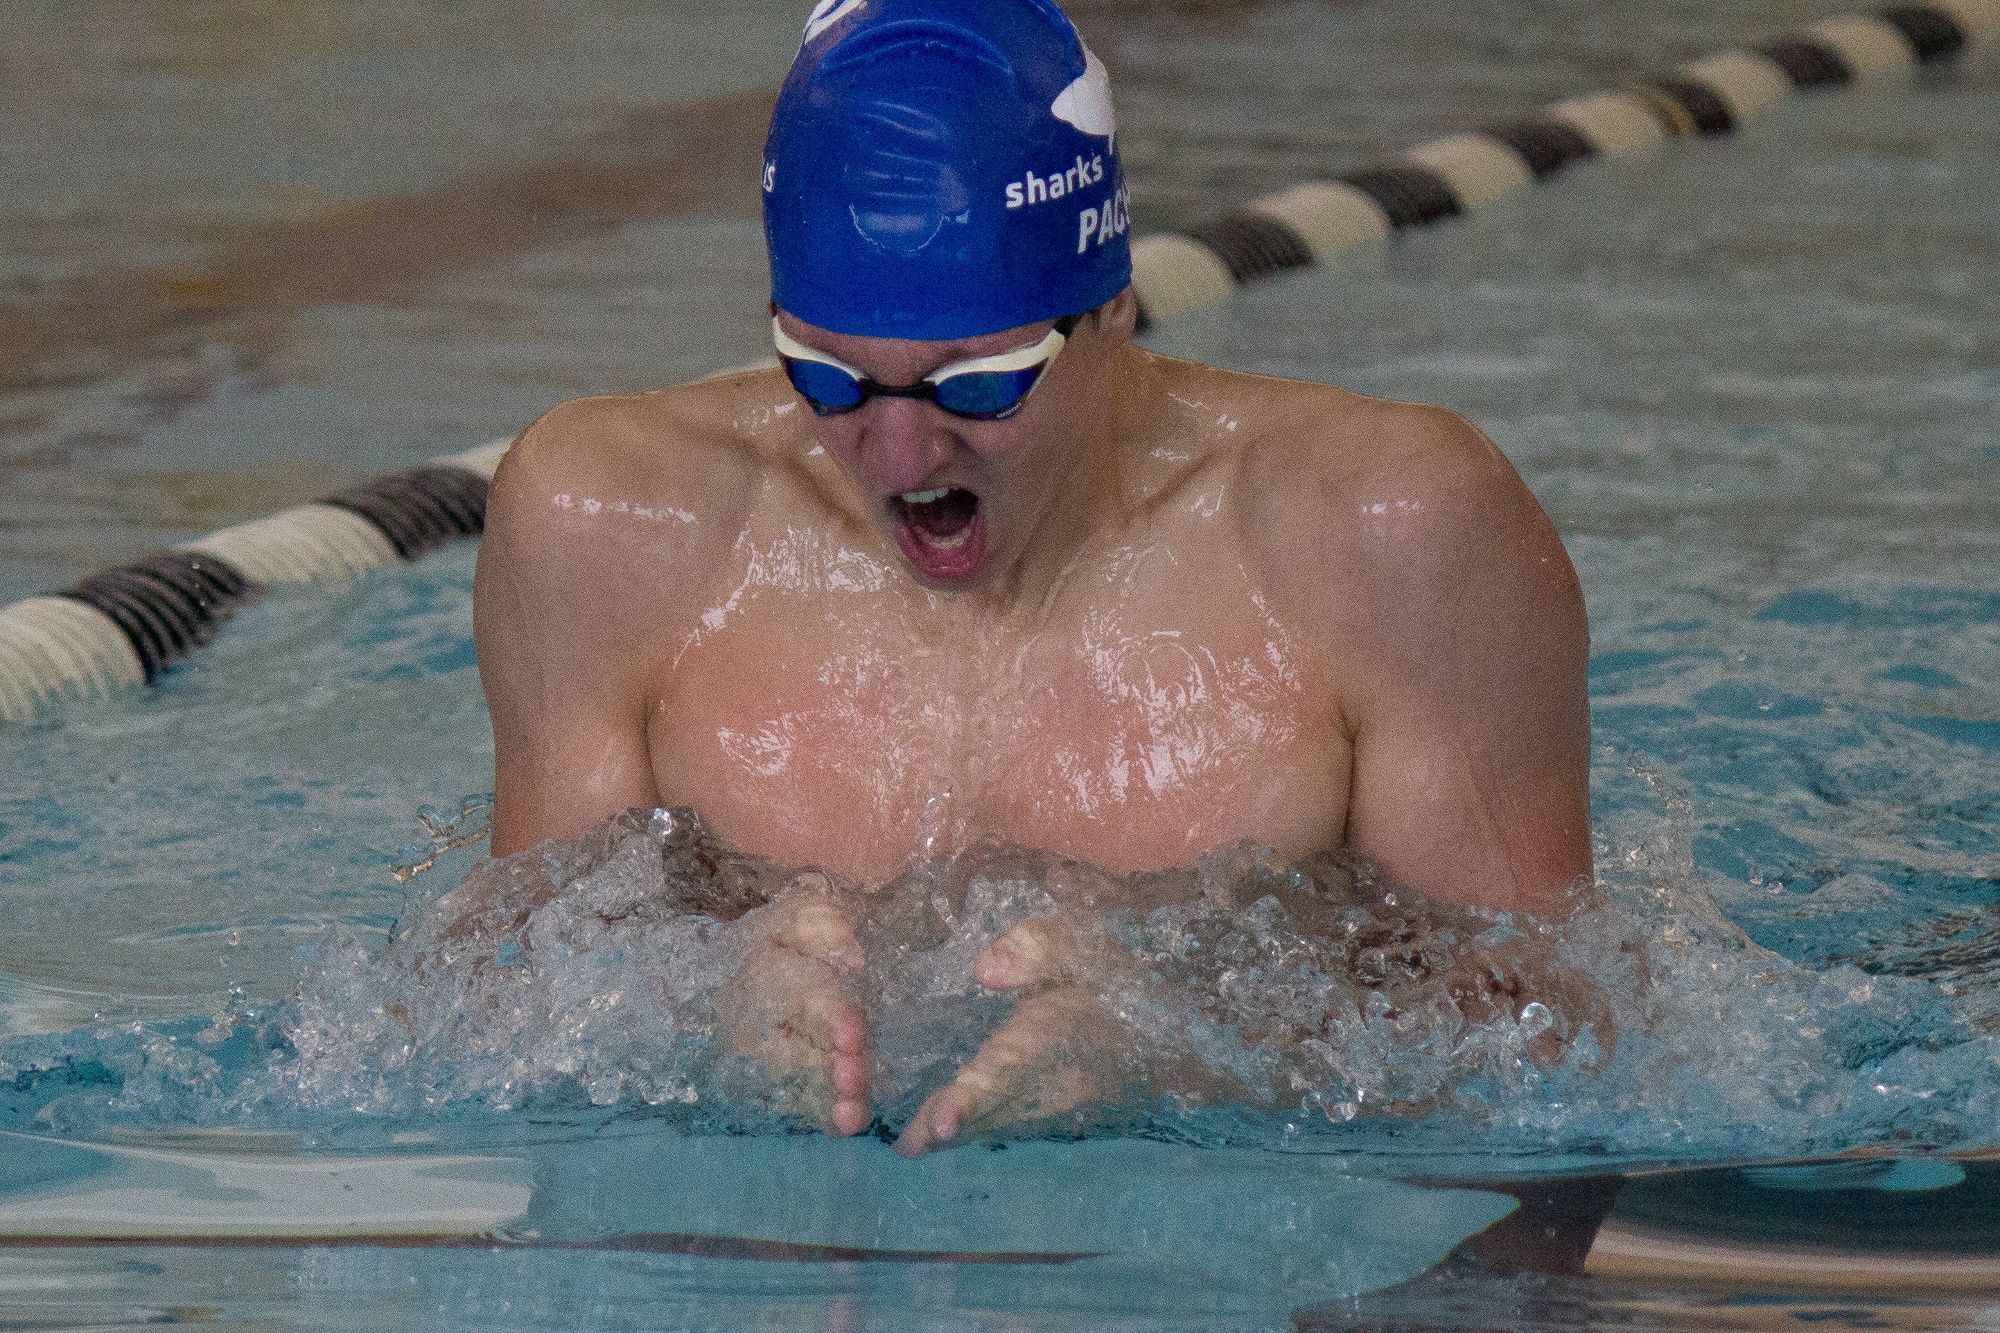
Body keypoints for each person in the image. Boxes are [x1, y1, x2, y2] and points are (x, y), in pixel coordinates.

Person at [469, 0, 1592, 1155]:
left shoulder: (1384, 535)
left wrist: (1188, 1051)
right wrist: (689, 1016)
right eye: (829, 376)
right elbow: (480, 1020)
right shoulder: (612, 523)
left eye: (978, 386)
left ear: (1112, 314)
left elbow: (1567, 1047)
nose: (901, 457)